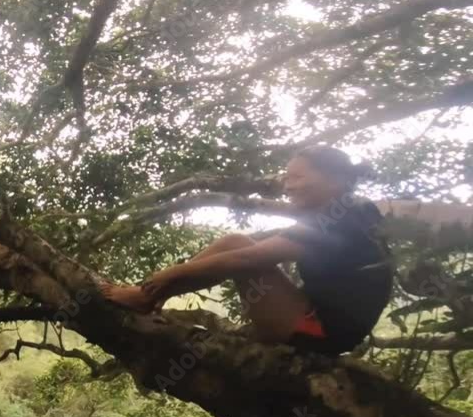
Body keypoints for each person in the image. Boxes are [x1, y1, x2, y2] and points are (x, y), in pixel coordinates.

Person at [99, 145, 394, 356]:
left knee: (238, 248)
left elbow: (248, 258)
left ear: (335, 180)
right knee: (233, 241)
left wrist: (171, 273)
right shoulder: (348, 210)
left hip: (323, 332)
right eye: (286, 177)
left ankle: (145, 297)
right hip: (317, 314)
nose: (287, 186)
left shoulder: (342, 216)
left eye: (298, 178)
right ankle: (148, 298)